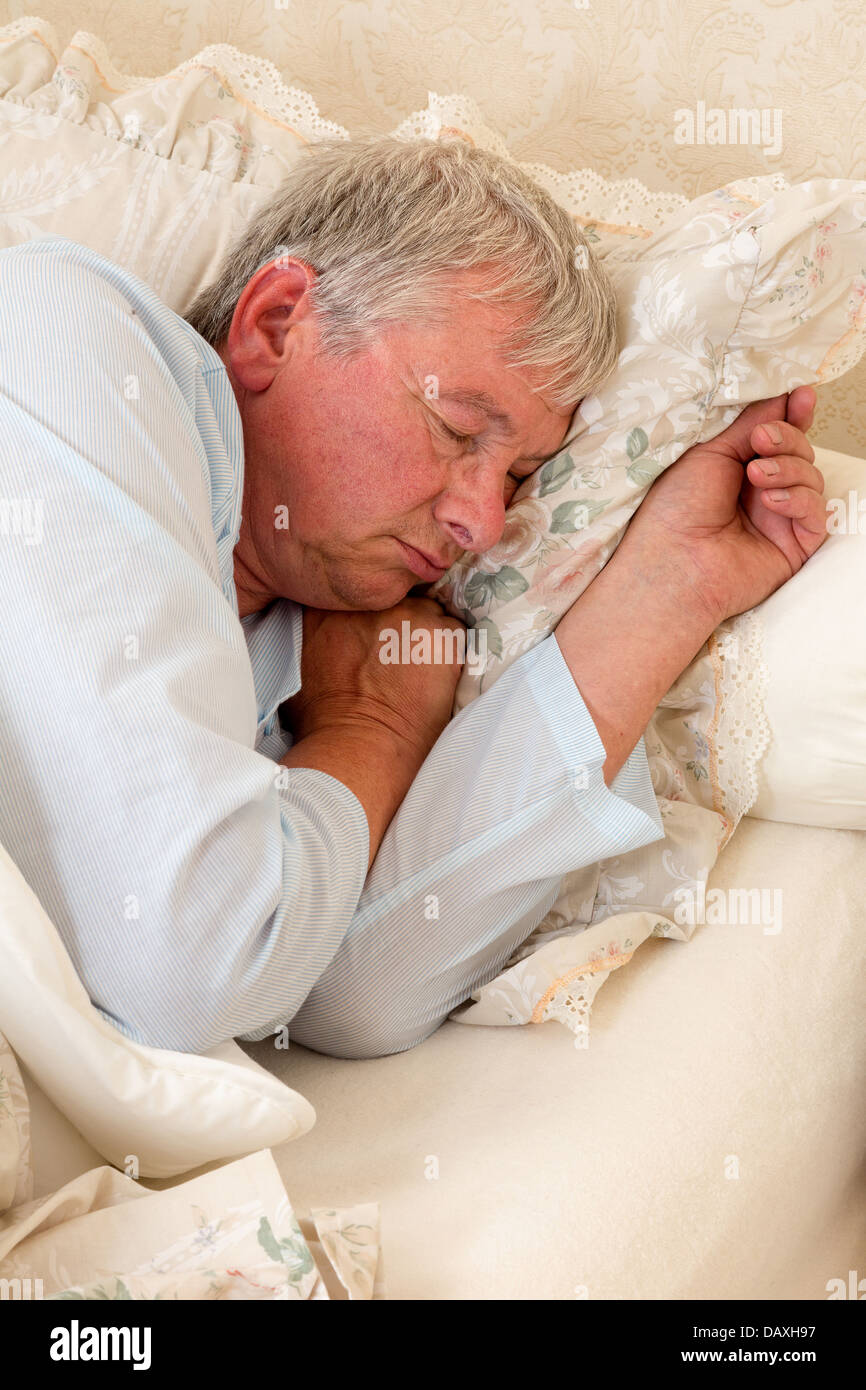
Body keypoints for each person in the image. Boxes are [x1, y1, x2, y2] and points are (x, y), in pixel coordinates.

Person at [0, 138, 826, 1058]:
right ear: (277, 324)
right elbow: (194, 967)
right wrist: (365, 736)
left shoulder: (307, 651)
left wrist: (669, 587)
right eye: (456, 428)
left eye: (517, 476)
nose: (481, 522)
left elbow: (353, 1001)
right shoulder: (64, 337)